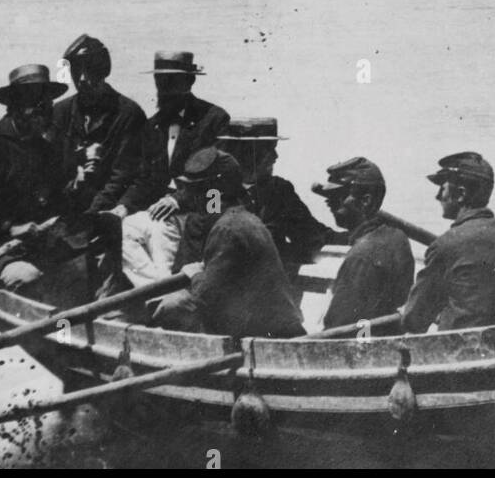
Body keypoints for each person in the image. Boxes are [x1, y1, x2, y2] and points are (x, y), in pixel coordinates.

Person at [0, 64, 90, 301]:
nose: (42, 111)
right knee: (29, 278)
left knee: (89, 262)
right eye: (33, 103)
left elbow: (56, 201)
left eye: (46, 104)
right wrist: (9, 228)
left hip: (32, 246)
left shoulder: (45, 149)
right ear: (14, 106)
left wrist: (76, 187)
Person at [149, 148, 305, 338]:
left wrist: (195, 274)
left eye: (195, 191)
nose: (189, 197)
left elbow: (207, 296)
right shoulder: (238, 218)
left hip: (262, 334)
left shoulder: (227, 229)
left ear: (212, 192)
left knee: (171, 306)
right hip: (266, 324)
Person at [116, 51, 229, 286]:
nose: (164, 88)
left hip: (200, 209)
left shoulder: (214, 119)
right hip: (160, 211)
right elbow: (145, 179)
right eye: (159, 80)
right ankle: (157, 291)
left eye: (172, 81)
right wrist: (123, 206)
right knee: (123, 230)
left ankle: (164, 295)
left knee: (160, 232)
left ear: (190, 81)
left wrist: (178, 200)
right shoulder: (153, 125)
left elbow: (219, 178)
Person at [400, 152, 495, 334]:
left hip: (463, 348)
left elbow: (414, 321)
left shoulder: (445, 245)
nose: (437, 196)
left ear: (461, 194)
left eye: (442, 189)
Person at [217, 118, 338, 282]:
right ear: (245, 151)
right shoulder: (214, 192)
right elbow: (207, 233)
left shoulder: (280, 190)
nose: (275, 156)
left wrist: (358, 235)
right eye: (268, 149)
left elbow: (312, 234)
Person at [312, 157, 414, 330]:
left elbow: (339, 330)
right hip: (379, 337)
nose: (328, 202)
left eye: (338, 196)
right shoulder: (398, 238)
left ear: (366, 201)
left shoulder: (362, 256)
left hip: (361, 341)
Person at [51, 35, 146, 216]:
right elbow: (51, 171)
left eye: (89, 69)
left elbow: (121, 177)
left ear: (103, 70)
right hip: (63, 208)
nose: (82, 78)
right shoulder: (60, 112)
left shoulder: (128, 114)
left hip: (107, 211)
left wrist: (91, 215)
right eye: (76, 70)